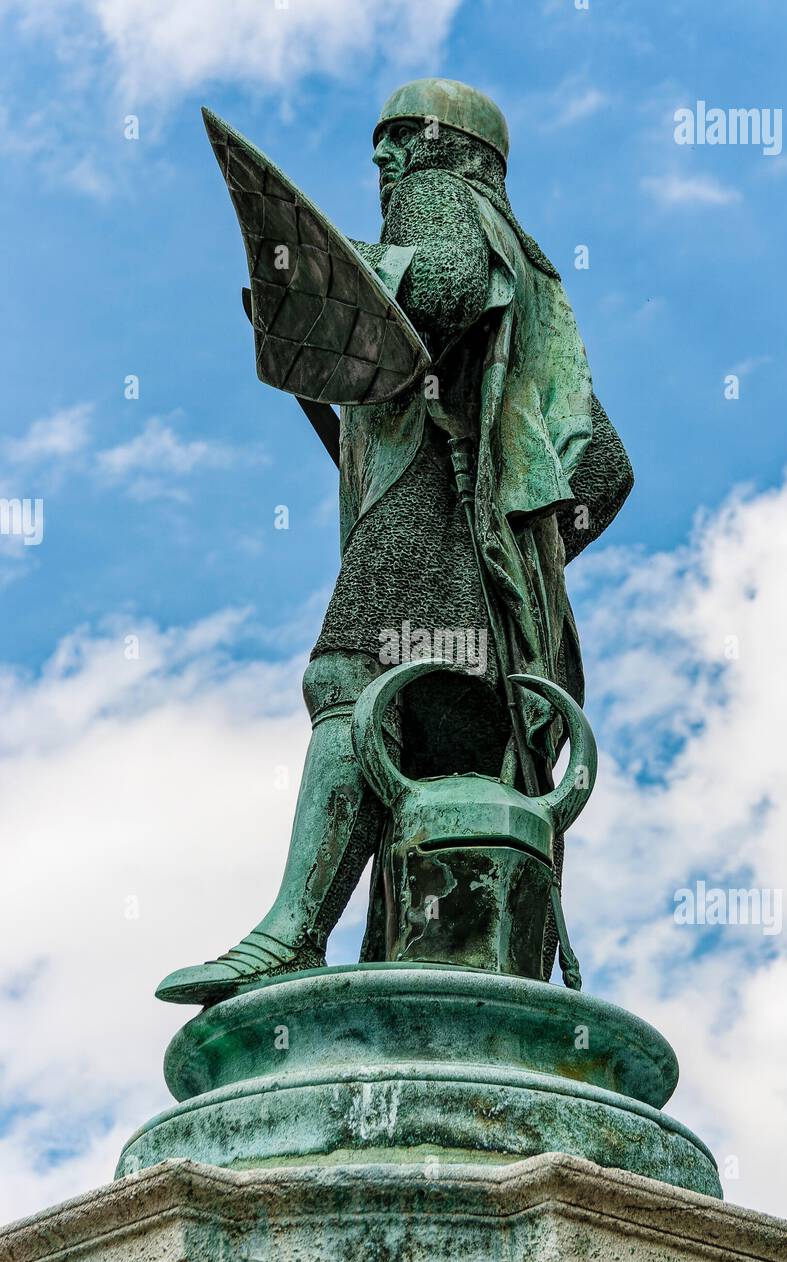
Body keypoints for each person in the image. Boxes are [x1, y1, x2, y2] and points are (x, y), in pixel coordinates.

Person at [157, 78, 633, 1006]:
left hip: (421, 547)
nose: (383, 159)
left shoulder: (443, 203)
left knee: (351, 690)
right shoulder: (536, 283)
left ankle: (290, 935)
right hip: (503, 632)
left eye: (402, 138)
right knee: (412, 789)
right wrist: (518, 551)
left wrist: (331, 283)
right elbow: (604, 466)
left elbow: (445, 285)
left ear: (449, 149)